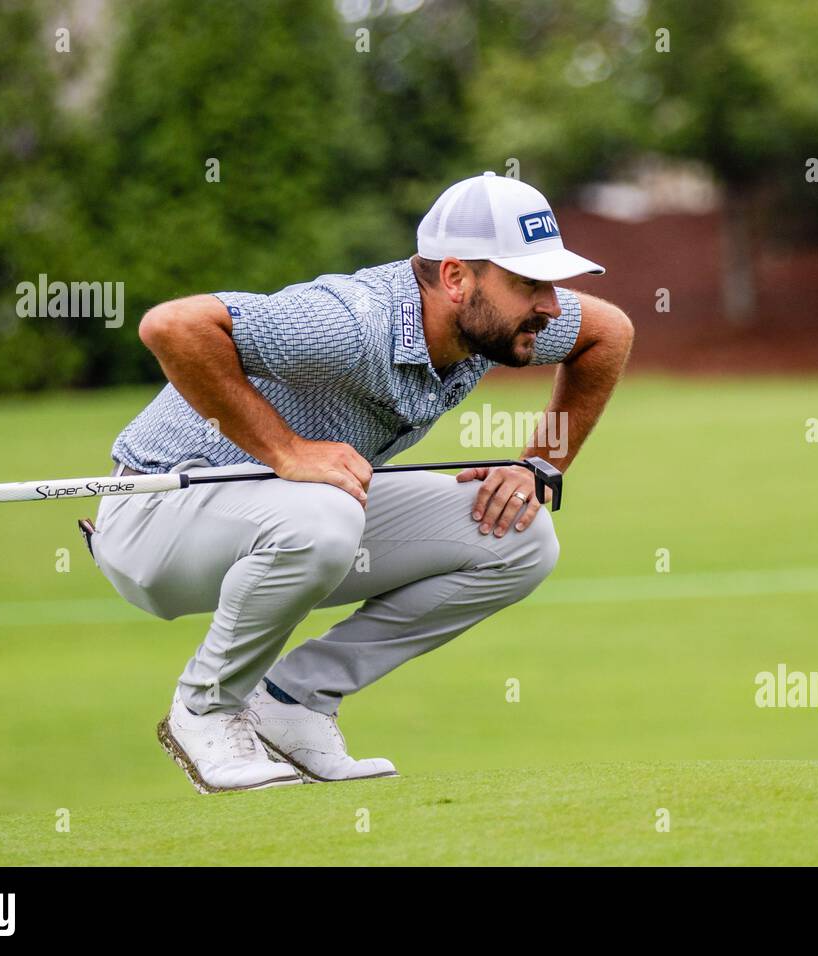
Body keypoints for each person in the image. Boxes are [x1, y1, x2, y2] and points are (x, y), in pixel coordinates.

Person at [89, 172, 634, 793]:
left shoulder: (491, 325)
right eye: (528, 284)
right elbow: (173, 326)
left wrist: (539, 466)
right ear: (456, 278)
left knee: (519, 536)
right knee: (326, 514)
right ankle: (206, 708)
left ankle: (293, 699)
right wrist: (285, 450)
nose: (551, 305)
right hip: (152, 522)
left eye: (550, 282)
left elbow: (607, 333)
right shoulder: (351, 322)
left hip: (292, 520)